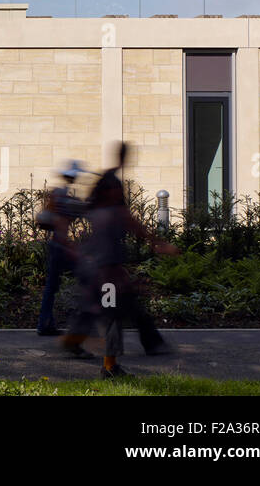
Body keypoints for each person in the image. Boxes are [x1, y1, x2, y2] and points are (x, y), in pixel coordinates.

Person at [61, 143, 179, 378]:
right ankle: (108, 366)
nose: (120, 194)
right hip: (104, 275)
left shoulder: (102, 210)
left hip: (98, 272)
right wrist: (118, 277)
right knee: (111, 317)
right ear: (108, 193)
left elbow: (131, 224)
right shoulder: (110, 215)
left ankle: (80, 345)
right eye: (116, 192)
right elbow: (129, 228)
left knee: (110, 311)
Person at [36, 161, 86, 336]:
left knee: (52, 286)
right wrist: (71, 247)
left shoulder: (57, 193)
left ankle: (44, 324)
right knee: (87, 278)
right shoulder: (65, 196)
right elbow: (62, 223)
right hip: (61, 246)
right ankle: (83, 323)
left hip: (55, 245)